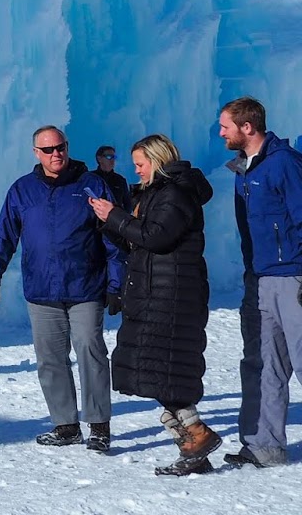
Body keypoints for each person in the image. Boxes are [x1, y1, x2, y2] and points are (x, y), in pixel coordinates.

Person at [0, 126, 125, 451]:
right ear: (36, 153)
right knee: (50, 359)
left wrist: (116, 283)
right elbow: (4, 234)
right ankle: (65, 425)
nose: (55, 154)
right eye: (47, 150)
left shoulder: (90, 184)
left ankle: (99, 426)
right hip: (42, 289)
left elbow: (113, 237)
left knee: (91, 350)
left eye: (59, 147)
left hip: (85, 285)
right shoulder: (23, 190)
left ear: (67, 146)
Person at [88, 135, 218, 475]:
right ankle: (194, 447)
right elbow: (140, 239)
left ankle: (197, 437)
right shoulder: (157, 193)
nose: (136, 170)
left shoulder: (174, 193)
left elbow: (157, 237)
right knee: (158, 367)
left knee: (161, 367)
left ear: (157, 162)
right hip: (156, 289)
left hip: (170, 293)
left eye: (141, 164)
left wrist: (115, 215)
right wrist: (109, 222)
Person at [217, 96, 302, 468]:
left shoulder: (284, 165)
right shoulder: (245, 170)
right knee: (266, 364)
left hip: (293, 276)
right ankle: (266, 445)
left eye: (225, 126)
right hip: (262, 278)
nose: (220, 133)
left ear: (246, 128)